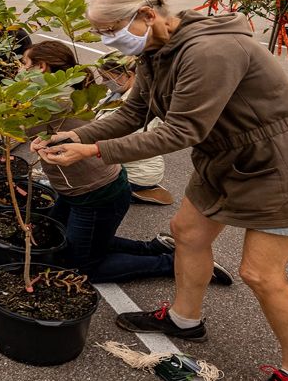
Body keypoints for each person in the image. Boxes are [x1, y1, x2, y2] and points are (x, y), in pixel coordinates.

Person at [34, 0, 288, 381]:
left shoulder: (209, 52)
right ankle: (184, 319)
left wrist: (93, 150)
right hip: (226, 160)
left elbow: (181, 131)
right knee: (186, 232)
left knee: (260, 273)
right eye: (98, 33)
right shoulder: (158, 52)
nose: (105, 40)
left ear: (147, 14)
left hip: (281, 167)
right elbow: (135, 112)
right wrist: (76, 134)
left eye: (109, 28)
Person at [15, 41, 233, 283]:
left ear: (42, 67)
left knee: (83, 266)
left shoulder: (55, 100)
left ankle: (176, 264)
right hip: (80, 189)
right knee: (67, 237)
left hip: (96, 193)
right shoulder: (62, 94)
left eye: (24, 64)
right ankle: (155, 248)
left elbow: (10, 122)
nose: (20, 70)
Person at [95, 53, 173, 205]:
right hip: (121, 165)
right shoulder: (117, 93)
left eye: (107, 78)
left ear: (129, 75)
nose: (103, 83)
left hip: (137, 171)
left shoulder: (143, 104)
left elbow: (126, 144)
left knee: (89, 191)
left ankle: (138, 190)